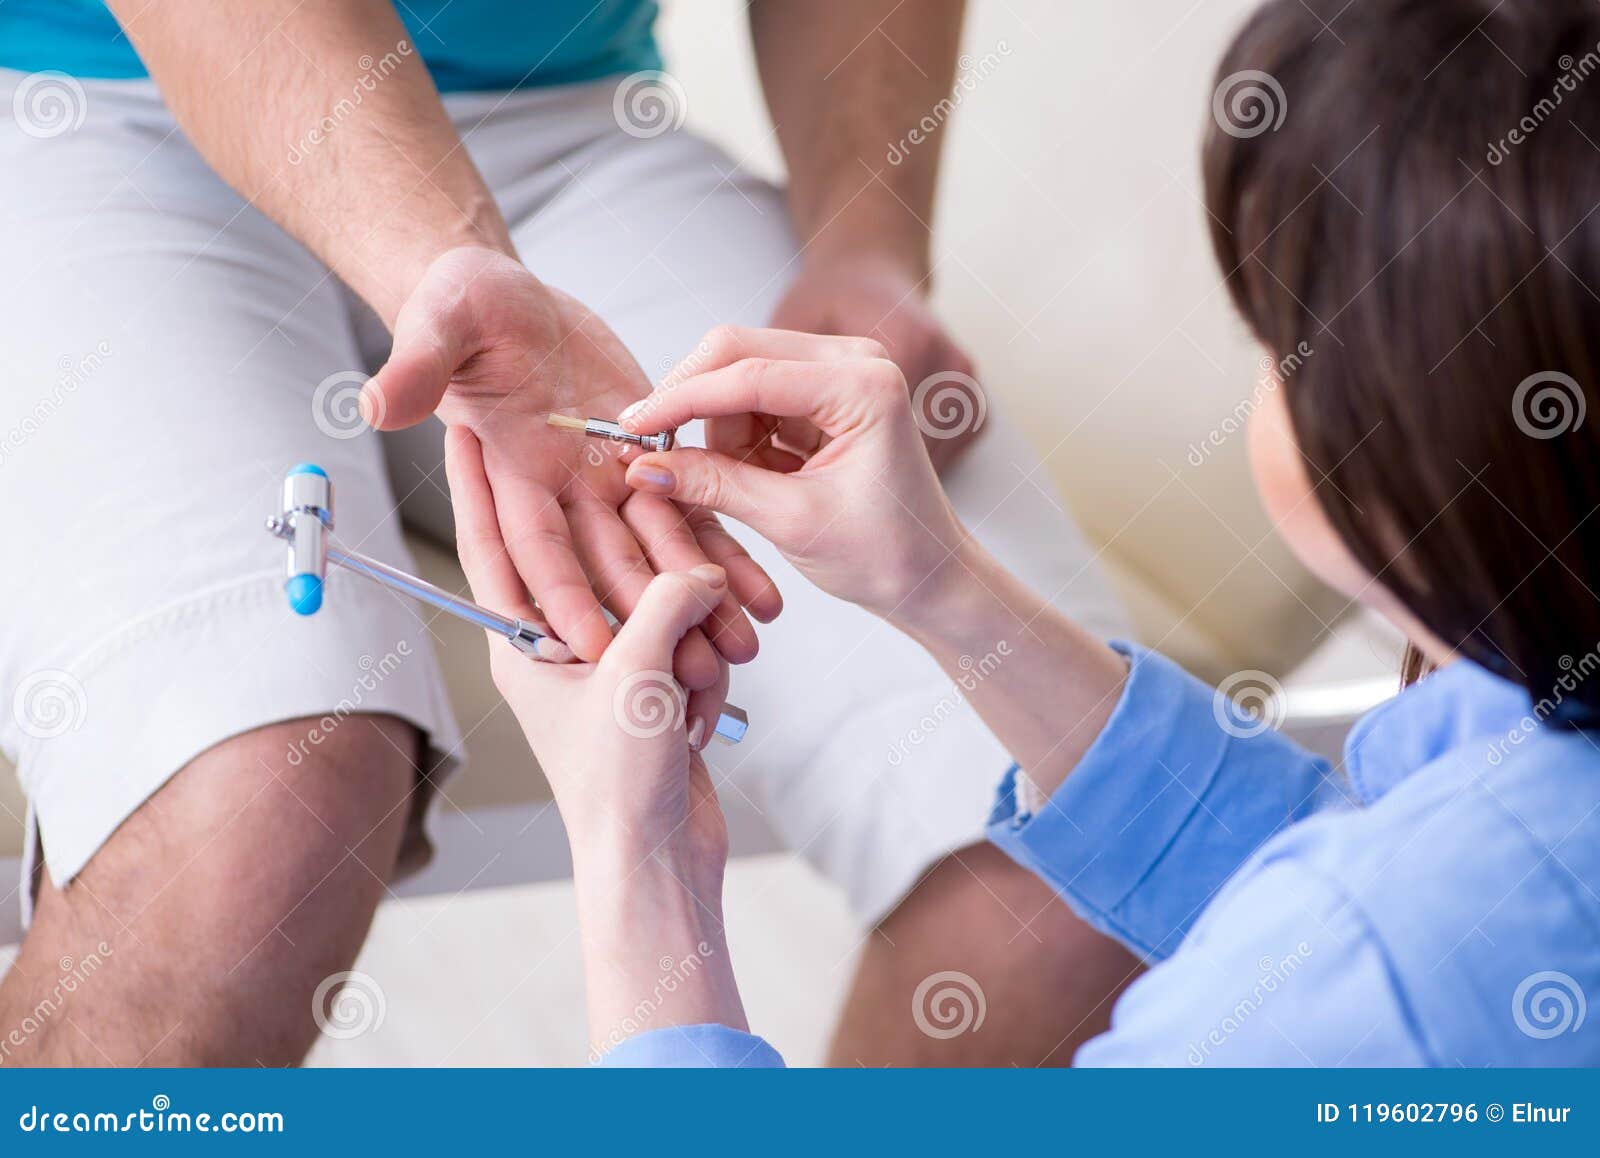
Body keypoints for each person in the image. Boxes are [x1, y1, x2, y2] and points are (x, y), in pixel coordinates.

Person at [460, 0, 1600, 1066]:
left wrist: (638, 868)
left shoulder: (1343, 988)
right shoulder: (1475, 835)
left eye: (1275, 337)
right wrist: (936, 582)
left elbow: (1357, 950)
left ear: (1405, 429)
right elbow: (1330, 878)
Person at [0, 2, 1131, 1064]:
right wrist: (448, 262)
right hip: (83, 101)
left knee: (1077, 850)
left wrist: (866, 241)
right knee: (248, 827)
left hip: (566, 120)